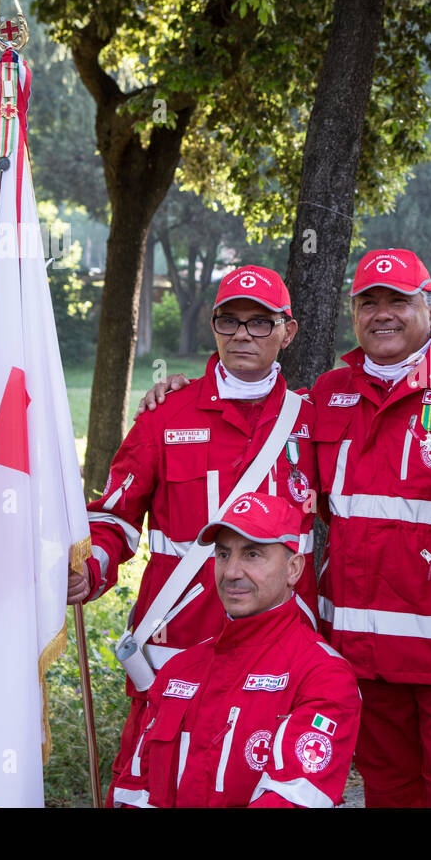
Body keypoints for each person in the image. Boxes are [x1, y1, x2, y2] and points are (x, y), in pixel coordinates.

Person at [71, 265, 317, 803]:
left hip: (278, 639)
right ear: (213, 326)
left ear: (288, 330)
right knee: (160, 775)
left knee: (259, 775)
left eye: (260, 322)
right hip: (176, 637)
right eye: (229, 321)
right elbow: (114, 513)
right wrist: (91, 567)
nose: (243, 335)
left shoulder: (311, 421)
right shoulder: (166, 414)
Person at [310, 248, 431, 807]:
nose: (383, 314)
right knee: (387, 788)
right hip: (362, 649)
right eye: (368, 302)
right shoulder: (330, 392)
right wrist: (178, 389)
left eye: (399, 300)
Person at [110, 492, 360, 807]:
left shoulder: (323, 676)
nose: (231, 572)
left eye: (252, 554)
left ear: (294, 569)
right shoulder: (179, 671)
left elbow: (294, 798)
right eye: (224, 554)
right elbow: (133, 790)